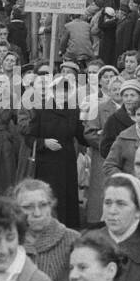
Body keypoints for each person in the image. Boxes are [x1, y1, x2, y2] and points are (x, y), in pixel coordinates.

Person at [20, 74, 91, 228]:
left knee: (67, 197)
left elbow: (81, 136)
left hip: (67, 161)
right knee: (49, 195)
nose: (62, 94)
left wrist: (97, 134)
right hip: (47, 162)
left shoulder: (73, 110)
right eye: (58, 90)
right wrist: (44, 142)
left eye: (65, 91)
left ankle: (67, 230)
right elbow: (29, 137)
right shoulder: (40, 110)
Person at [14, 178, 82, 281]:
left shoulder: (73, 240)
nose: (37, 213)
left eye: (43, 205)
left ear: (52, 205)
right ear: (16, 210)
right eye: (28, 207)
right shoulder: (9, 244)